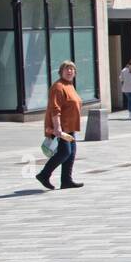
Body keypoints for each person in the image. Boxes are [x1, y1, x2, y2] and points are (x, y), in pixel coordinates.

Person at [36, 61, 84, 191]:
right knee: (65, 152)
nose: (69, 71)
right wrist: (57, 127)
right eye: (66, 69)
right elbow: (55, 108)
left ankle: (66, 180)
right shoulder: (58, 87)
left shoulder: (70, 85)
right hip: (61, 127)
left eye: (72, 69)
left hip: (71, 126)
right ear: (61, 72)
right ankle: (44, 174)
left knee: (71, 153)